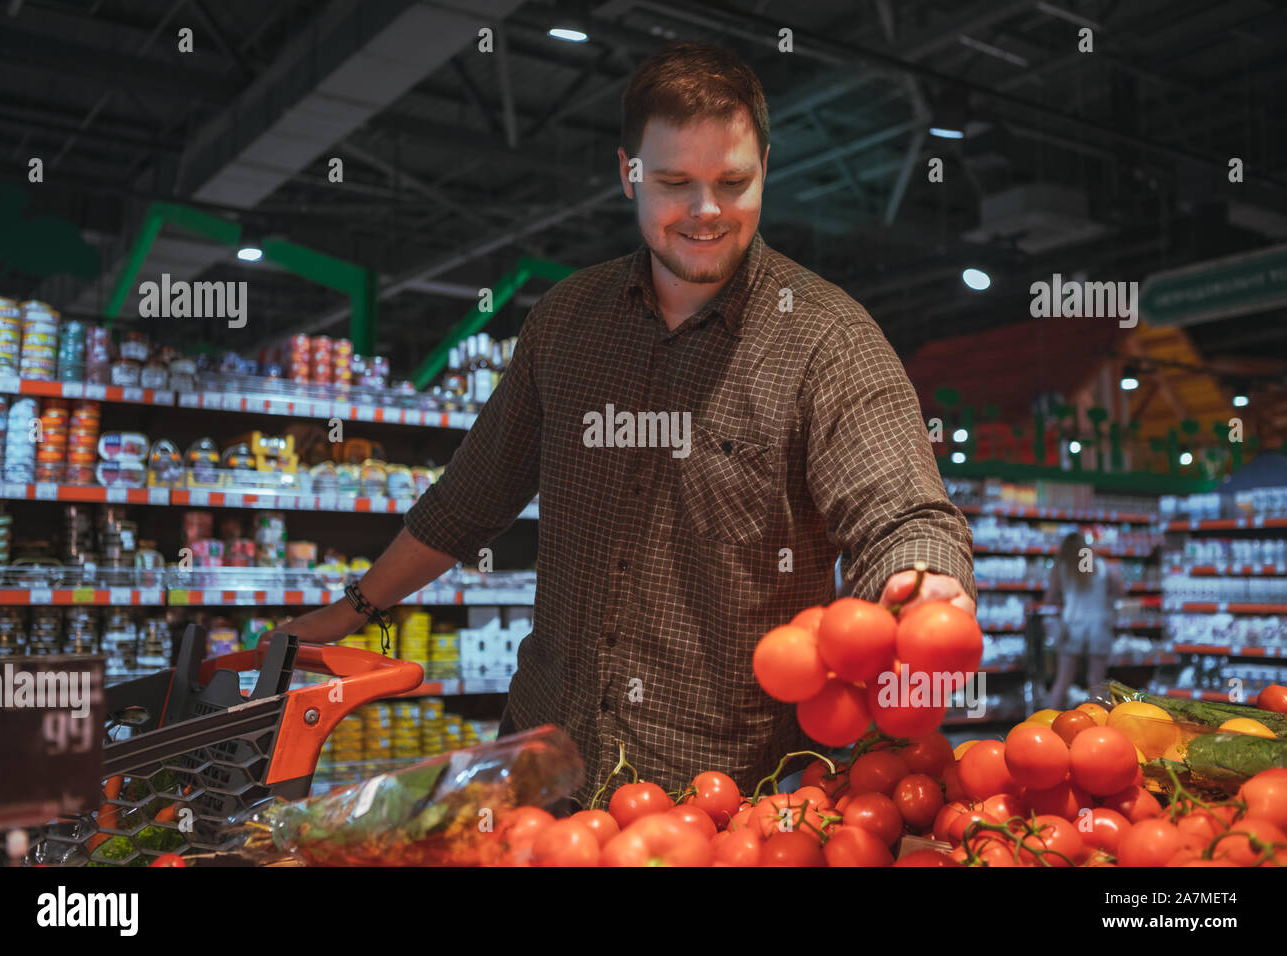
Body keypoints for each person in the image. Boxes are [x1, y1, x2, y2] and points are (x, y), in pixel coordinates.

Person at [284, 42, 976, 808]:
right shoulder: (568, 321)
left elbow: (903, 516)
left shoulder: (826, 340)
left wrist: (928, 593)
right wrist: (349, 613)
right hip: (542, 767)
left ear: (766, 172)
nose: (707, 210)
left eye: (733, 182)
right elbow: (469, 501)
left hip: (724, 805)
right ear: (629, 174)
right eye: (676, 182)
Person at [1043, 532, 1125, 709]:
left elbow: (1049, 599)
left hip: (1072, 625)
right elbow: (1120, 592)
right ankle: (1098, 723)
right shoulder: (1102, 567)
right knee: (1096, 683)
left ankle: (1047, 722)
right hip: (1099, 625)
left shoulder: (1062, 568)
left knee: (1063, 681)